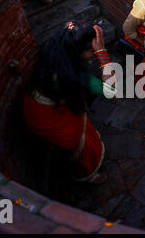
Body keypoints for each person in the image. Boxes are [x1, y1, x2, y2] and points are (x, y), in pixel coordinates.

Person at [23, 21, 115, 184]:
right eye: (90, 50)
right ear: (77, 51)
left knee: (84, 129)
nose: (93, 53)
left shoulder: (57, 49)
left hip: (50, 103)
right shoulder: (69, 75)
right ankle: (86, 173)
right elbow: (110, 89)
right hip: (47, 118)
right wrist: (102, 52)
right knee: (79, 143)